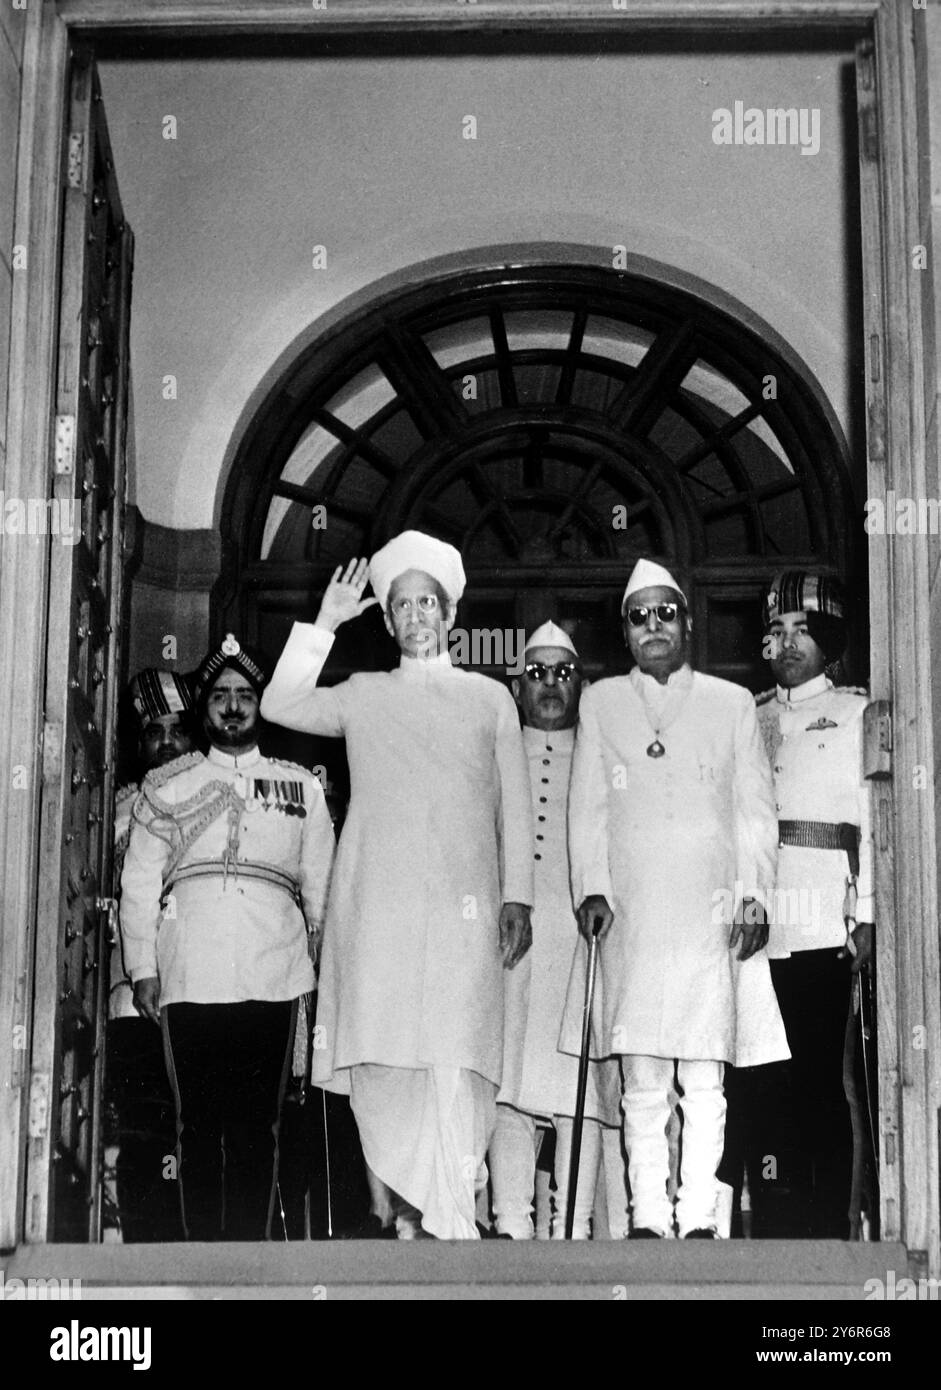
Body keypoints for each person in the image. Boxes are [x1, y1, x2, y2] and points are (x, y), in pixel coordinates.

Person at [260, 531, 534, 1239]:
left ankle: (453, 1209)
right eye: (401, 605)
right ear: (385, 620)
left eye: (427, 603)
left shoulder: (489, 698)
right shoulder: (361, 694)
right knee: (382, 1052)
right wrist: (324, 621)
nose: (416, 615)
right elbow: (280, 706)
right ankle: (406, 1214)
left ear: (450, 615)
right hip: (376, 903)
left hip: (464, 904)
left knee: (457, 1048)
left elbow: (513, 800)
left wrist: (517, 897)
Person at [562, 558, 788, 1239]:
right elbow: (587, 808)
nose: (653, 626)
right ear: (624, 630)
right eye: (639, 616)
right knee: (641, 1081)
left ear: (687, 623)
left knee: (703, 1077)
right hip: (631, 916)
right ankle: (647, 1218)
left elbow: (755, 809)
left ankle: (695, 1220)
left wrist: (754, 896)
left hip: (707, 915)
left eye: (665, 613)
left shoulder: (729, 703)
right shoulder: (600, 702)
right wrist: (592, 888)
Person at [119, 634, 335, 1240]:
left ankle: (246, 1268)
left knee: (257, 1129)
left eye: (244, 695)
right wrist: (142, 970)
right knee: (195, 1128)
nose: (233, 706)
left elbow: (321, 891)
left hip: (274, 973)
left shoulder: (301, 789)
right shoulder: (167, 789)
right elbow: (139, 887)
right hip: (189, 971)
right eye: (220, 696)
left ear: (260, 704)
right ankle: (201, 1269)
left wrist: (322, 973)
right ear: (204, 708)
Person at [747, 570, 875, 1238]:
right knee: (762, 1082)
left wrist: (870, 912)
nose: (788, 644)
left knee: (824, 1081)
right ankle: (772, 1226)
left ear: (828, 642)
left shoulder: (857, 713)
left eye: (802, 631)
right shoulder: (750, 716)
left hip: (824, 918)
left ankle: (831, 1226)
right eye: (776, 632)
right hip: (752, 924)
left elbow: (871, 819)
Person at [490, 622, 622, 1240]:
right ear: (517, 686)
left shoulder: (602, 755)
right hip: (510, 948)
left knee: (582, 1093)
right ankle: (511, 1230)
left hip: (582, 946)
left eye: (562, 674)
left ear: (582, 685)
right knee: (507, 1087)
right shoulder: (495, 752)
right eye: (537, 673)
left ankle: (573, 1237)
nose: (550, 685)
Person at [105, 668, 195, 1242]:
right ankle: (142, 1234)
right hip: (132, 981)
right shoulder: (117, 807)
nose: (165, 742)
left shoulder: (214, 790)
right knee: (144, 1119)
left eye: (176, 730)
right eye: (153, 732)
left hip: (199, 978)